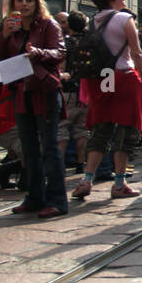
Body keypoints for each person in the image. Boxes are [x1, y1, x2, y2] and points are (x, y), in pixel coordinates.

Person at [0, 0, 68, 218]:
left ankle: (56, 200)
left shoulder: (48, 25)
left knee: (50, 147)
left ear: (36, 4)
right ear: (13, 4)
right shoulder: (11, 30)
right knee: (29, 148)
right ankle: (34, 197)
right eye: (19, 0)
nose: (23, 4)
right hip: (21, 93)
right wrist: (3, 37)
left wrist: (38, 53)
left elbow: (60, 52)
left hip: (43, 91)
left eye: (28, 0)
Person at [73, 0, 142, 200]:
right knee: (126, 129)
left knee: (101, 128)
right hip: (124, 78)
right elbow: (136, 54)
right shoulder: (125, 19)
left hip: (103, 78)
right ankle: (119, 183)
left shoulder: (93, 21)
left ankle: (86, 179)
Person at [58, 10, 90, 169]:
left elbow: (61, 65)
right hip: (86, 91)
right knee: (82, 130)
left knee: (62, 128)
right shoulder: (90, 42)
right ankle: (80, 163)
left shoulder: (65, 43)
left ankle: (60, 165)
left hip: (68, 90)